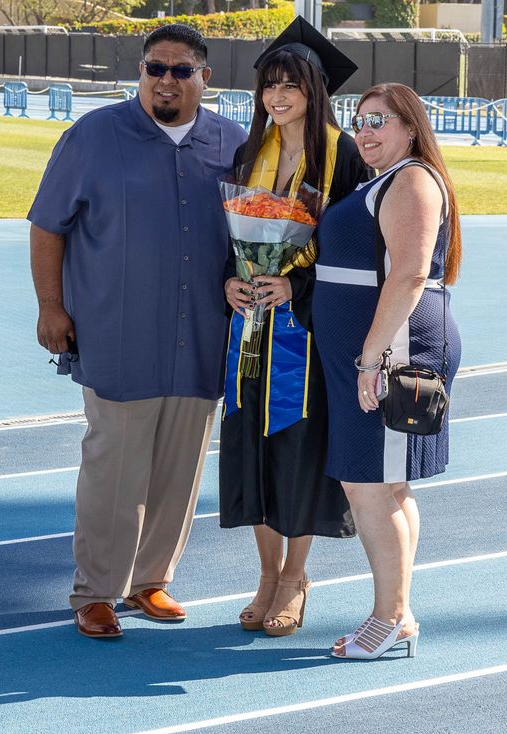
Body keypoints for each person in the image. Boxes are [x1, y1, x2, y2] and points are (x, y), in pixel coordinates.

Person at [28, 24, 247, 639]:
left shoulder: (233, 144)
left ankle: (152, 579)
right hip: (116, 332)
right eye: (155, 68)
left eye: (181, 71)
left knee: (180, 468)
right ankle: (96, 590)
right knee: (112, 467)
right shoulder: (93, 137)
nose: (166, 81)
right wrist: (51, 306)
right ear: (141, 73)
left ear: (205, 78)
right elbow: (48, 226)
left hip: (202, 333)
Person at [219, 18, 369, 638]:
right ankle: (264, 572)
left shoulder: (346, 156)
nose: (276, 97)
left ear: (315, 92)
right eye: (268, 86)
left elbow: (359, 248)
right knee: (251, 444)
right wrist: (230, 282)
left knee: (298, 449)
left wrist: (296, 285)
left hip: (305, 333)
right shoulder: (250, 155)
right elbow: (228, 243)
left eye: (291, 87)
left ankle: (295, 577)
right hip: (250, 324)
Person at [311, 83, 463, 660]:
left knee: (369, 483)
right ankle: (399, 608)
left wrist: (372, 359)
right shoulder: (378, 181)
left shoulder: (413, 179)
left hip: (393, 348)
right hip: (369, 348)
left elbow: (408, 275)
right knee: (384, 482)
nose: (365, 132)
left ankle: (388, 615)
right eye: (359, 121)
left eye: (379, 120)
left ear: (409, 126)